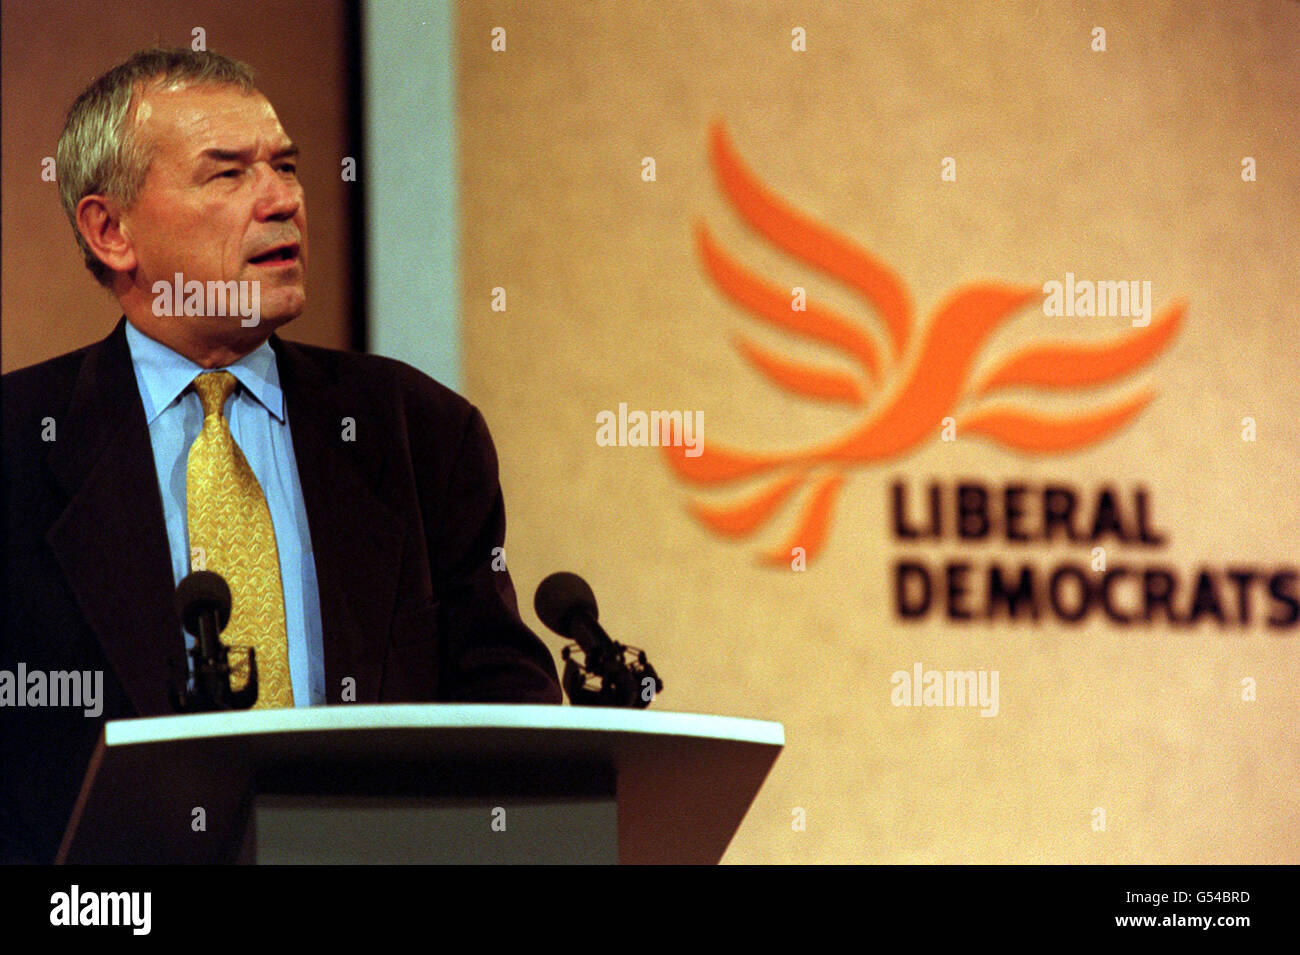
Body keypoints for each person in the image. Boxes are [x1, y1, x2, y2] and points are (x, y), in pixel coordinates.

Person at [1, 47, 562, 864]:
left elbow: (504, 700)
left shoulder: (420, 433)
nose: (284, 201)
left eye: (287, 166)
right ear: (110, 230)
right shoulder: (18, 450)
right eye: (227, 174)